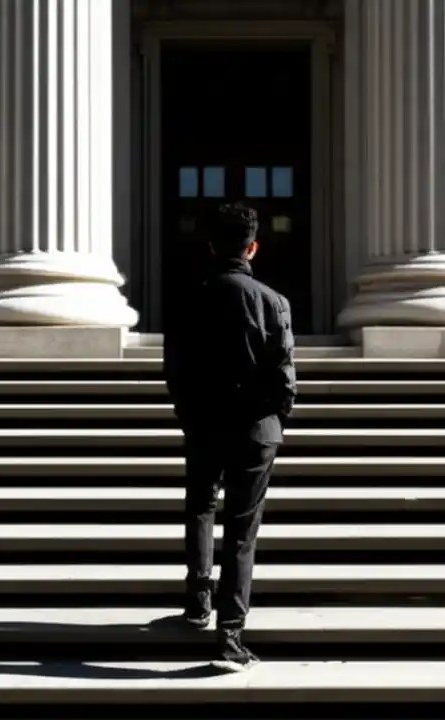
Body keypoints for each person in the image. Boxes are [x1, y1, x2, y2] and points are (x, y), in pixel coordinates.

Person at [163, 202, 297, 673]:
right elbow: (284, 379)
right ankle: (230, 635)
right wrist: (274, 418)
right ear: (253, 247)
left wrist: (189, 414)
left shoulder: (189, 299)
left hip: (205, 423)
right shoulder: (274, 301)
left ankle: (198, 598)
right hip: (256, 428)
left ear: (212, 246)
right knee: (242, 531)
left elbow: (174, 372)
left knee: (200, 504)